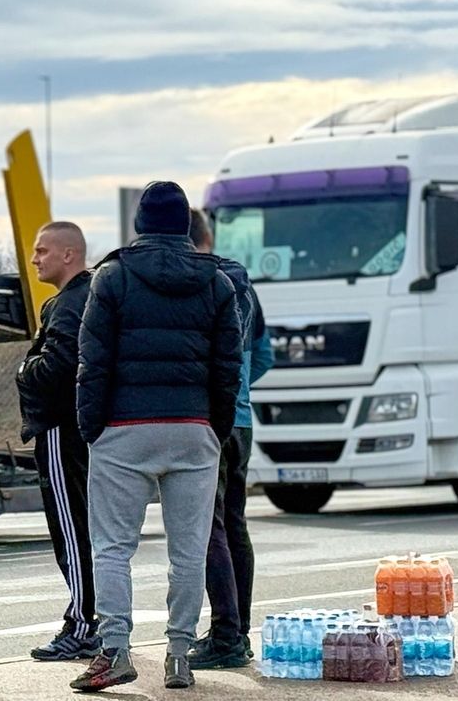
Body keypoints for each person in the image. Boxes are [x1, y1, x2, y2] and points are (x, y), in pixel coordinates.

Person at [71, 182, 242, 692]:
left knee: (112, 548)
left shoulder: (113, 277)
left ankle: (116, 651)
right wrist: (215, 428)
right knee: (188, 552)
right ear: (187, 229)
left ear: (140, 224)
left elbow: (92, 362)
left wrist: (92, 430)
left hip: (124, 429)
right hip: (193, 429)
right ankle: (179, 655)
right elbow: (228, 368)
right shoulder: (218, 283)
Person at [187, 209, 275, 670]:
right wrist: (241, 387)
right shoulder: (243, 283)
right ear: (207, 235)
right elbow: (264, 355)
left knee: (208, 528)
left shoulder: (200, 284)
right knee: (234, 524)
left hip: (209, 419)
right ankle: (237, 631)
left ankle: (224, 635)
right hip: (242, 421)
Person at [15, 221, 98, 660]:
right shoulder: (94, 295)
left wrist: (23, 372)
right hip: (87, 426)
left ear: (69, 255)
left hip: (60, 430)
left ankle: (83, 625)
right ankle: (92, 617)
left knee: (70, 526)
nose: (34, 259)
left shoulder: (66, 304)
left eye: (42, 251)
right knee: (91, 527)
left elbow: (58, 366)